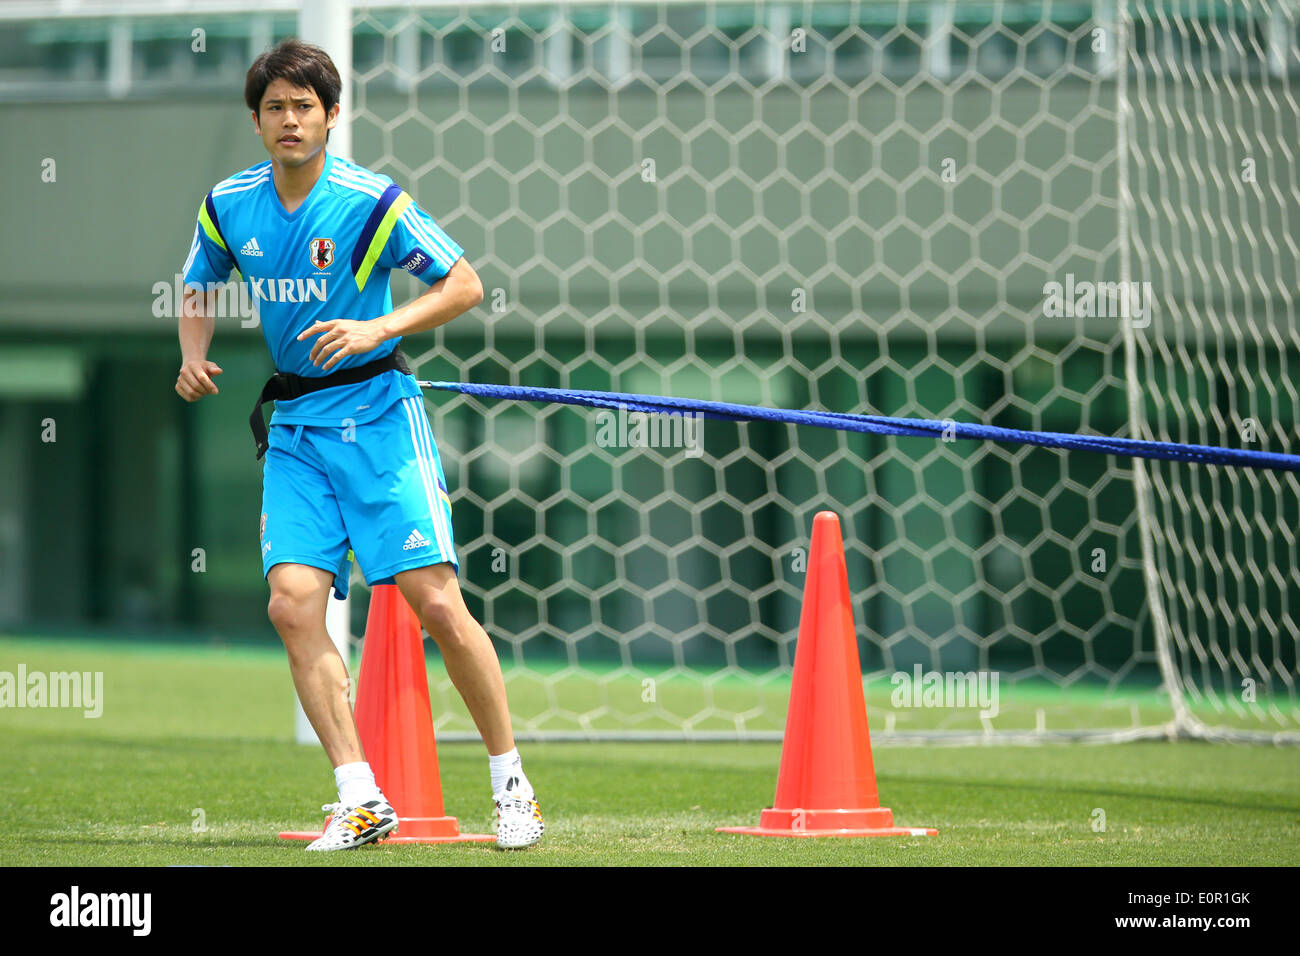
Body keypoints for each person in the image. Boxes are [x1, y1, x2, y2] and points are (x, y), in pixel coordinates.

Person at [174, 38, 542, 851]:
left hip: (379, 416)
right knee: (291, 605)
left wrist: (379, 324)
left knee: (436, 603)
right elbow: (197, 282)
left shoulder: (369, 201)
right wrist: (193, 355)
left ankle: (511, 782)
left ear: (332, 116)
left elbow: (465, 284)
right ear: (258, 120)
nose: (290, 120)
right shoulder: (230, 203)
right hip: (298, 430)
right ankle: (361, 797)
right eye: (275, 108)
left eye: (305, 106)